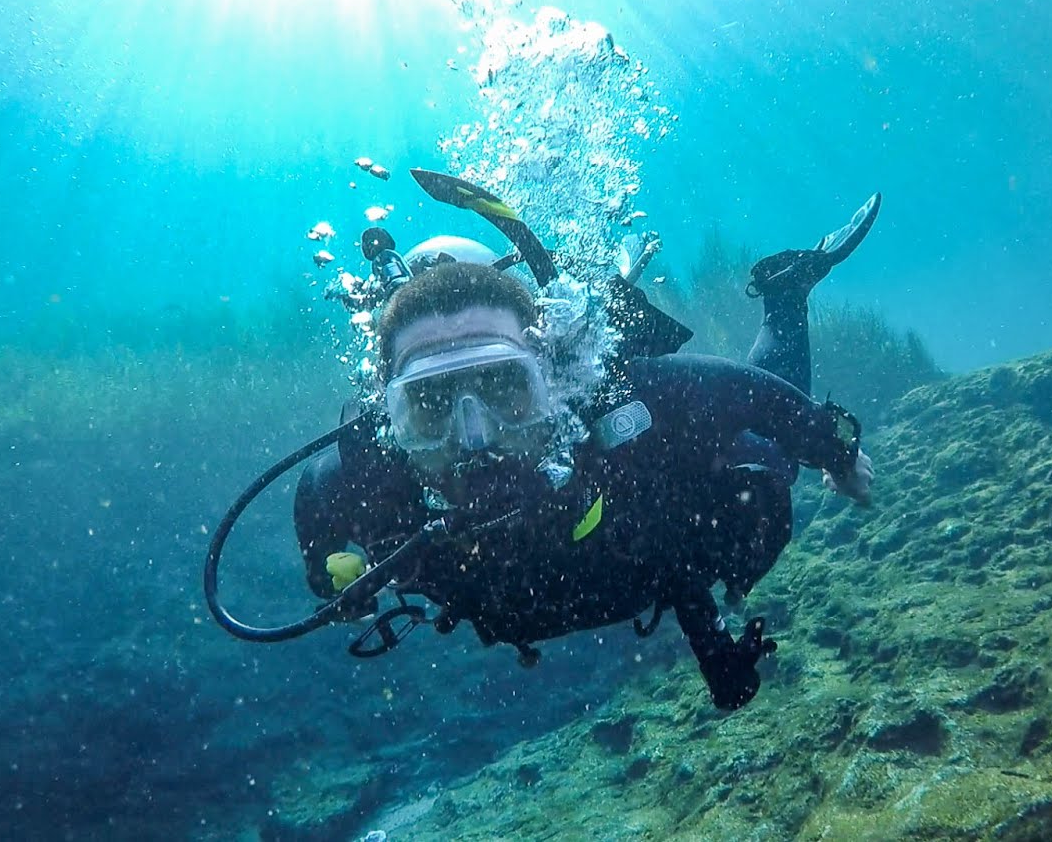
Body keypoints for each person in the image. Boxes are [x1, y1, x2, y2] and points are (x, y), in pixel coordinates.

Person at [292, 202, 878, 710]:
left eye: (503, 386)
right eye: (429, 403)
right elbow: (318, 526)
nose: (474, 437)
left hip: (669, 542)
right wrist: (331, 578)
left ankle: (784, 296)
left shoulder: (625, 404)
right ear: (386, 415)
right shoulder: (356, 479)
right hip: (612, 578)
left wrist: (837, 455)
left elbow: (756, 394)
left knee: (771, 461)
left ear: (551, 375)